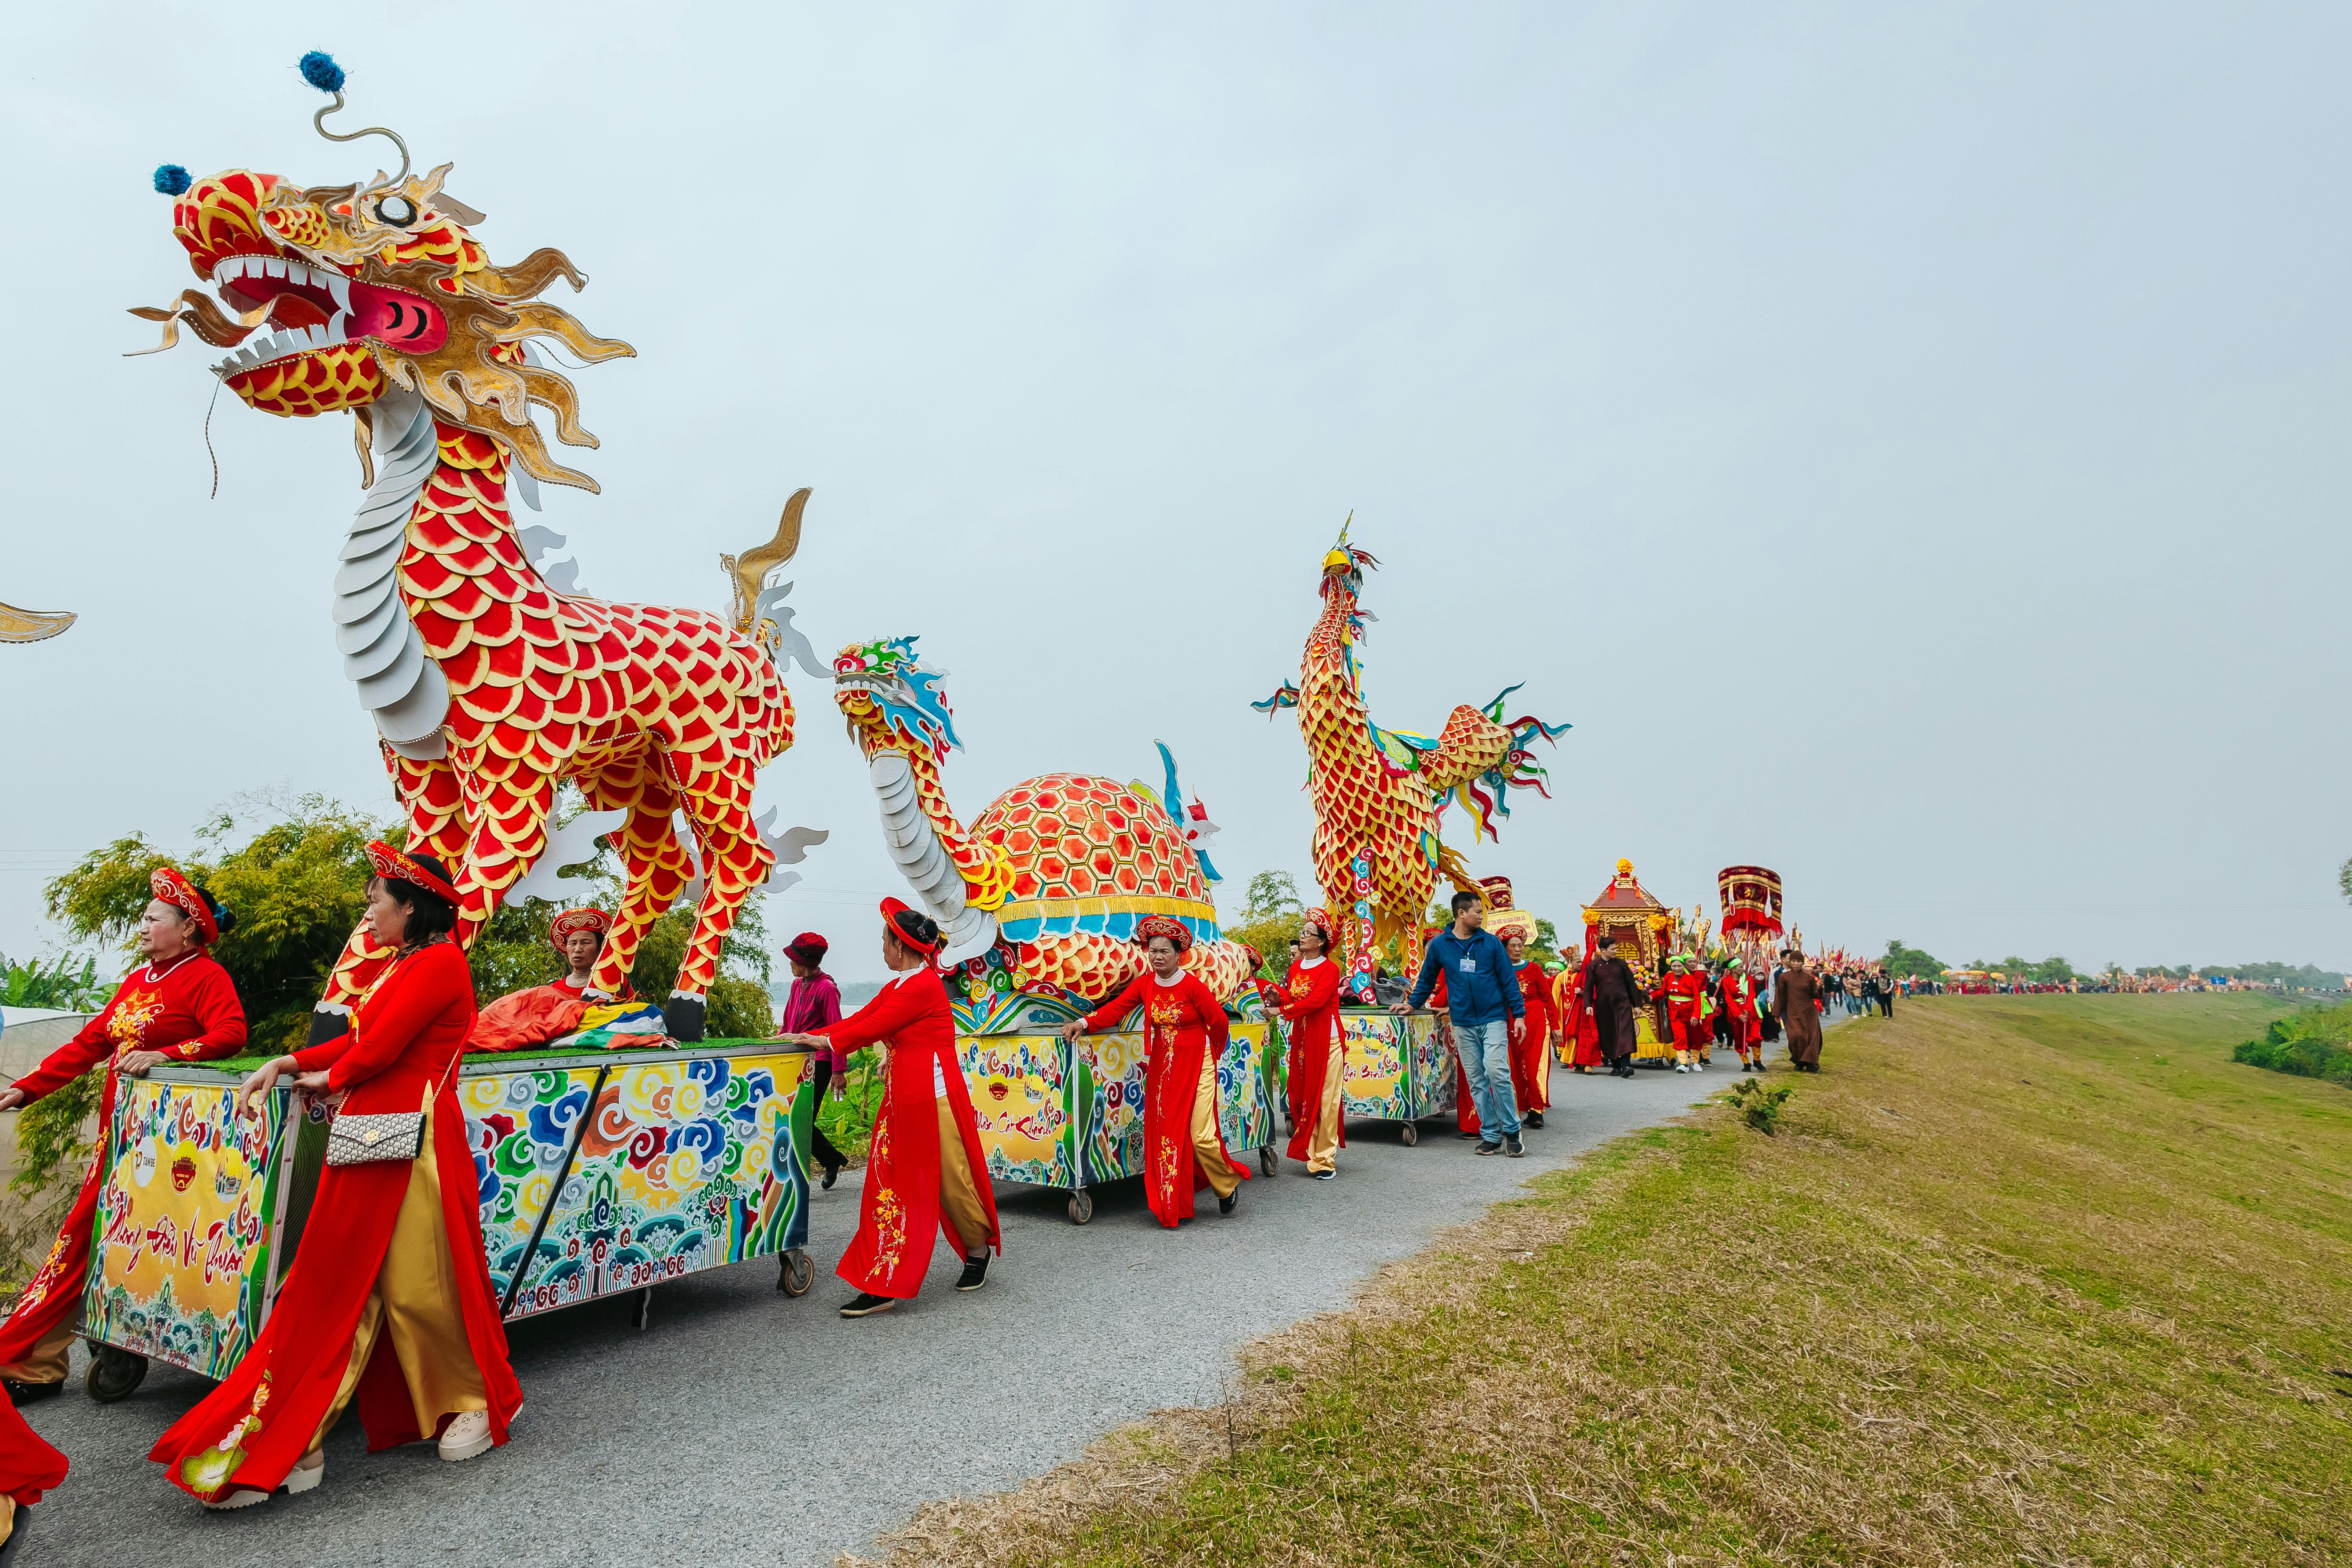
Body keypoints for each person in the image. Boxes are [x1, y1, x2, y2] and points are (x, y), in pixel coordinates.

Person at [150, 844, 521, 1508]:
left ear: (412, 904)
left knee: (416, 1286)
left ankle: (469, 1401)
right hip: (371, 1132)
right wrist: (289, 1061)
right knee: (336, 1284)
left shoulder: (441, 962)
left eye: (376, 899)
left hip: (417, 1142)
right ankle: (302, 1432)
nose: (369, 912)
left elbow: (377, 1050)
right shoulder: (403, 964)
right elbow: (356, 1040)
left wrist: (325, 1077)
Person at [0, 866, 247, 1406]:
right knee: (88, 1240)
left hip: (166, 1143)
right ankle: (45, 1358)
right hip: (117, 1136)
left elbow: (232, 1032)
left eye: (152, 918)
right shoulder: (140, 981)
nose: (141, 926)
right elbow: (91, 1042)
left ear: (187, 928)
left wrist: (168, 1053)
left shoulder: (206, 976)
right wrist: (26, 1089)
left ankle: (34, 1356)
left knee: (92, 1240)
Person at [778, 899, 999, 1317]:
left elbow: (870, 1029)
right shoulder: (899, 985)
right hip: (902, 1096)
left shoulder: (923, 985)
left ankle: (976, 1248)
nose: (881, 946)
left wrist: (824, 1041)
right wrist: (809, 1035)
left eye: (885, 940)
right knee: (890, 1184)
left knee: (950, 1183)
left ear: (901, 946)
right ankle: (885, 1274)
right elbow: (863, 1017)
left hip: (933, 1098)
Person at [1062, 915, 1248, 1224]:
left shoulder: (1192, 987)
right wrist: (1083, 1023)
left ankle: (1225, 1185)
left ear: (1179, 955)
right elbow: (1116, 1008)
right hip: (1164, 1068)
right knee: (1168, 1135)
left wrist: (1210, 1056)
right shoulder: (1145, 985)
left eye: (1164, 952)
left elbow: (1220, 1022)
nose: (1158, 957)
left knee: (1201, 1135)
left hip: (1198, 1064)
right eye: (1153, 951)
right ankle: (1172, 1204)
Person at [1398, 890, 1524, 1157]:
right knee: (1477, 1079)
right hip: (1463, 1021)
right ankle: (1490, 1135)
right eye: (1477, 912)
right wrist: (1412, 1004)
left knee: (1496, 1071)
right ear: (1461, 914)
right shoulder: (1440, 946)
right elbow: (1427, 978)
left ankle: (1512, 1131)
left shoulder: (1490, 944)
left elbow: (1509, 982)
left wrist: (1519, 1015)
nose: (1481, 916)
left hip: (1493, 1018)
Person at [1264, 912, 1345, 1179]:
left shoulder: (1330, 969)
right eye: (1302, 931)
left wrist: (1281, 1011)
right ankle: (1312, 1148)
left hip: (1327, 1039)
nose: (1302, 936)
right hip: (1301, 1037)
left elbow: (1316, 1002)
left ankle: (1324, 1160)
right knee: (1298, 1094)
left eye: (1308, 933)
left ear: (1321, 942)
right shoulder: (1297, 968)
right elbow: (1295, 997)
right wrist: (1279, 997)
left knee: (1326, 1100)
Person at [778, 932, 848, 1189]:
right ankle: (832, 1159)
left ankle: (802, 1177)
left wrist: (839, 1071)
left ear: (804, 962)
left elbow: (837, 1032)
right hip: (795, 1059)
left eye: (792, 959)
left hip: (820, 1063)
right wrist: (777, 1044)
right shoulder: (798, 984)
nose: (789, 963)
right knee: (792, 1117)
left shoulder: (827, 990)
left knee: (802, 1120)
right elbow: (788, 1022)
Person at [1490, 916, 1552, 1128]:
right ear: (1505, 948)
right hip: (1507, 1019)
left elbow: (1548, 998)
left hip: (1534, 1019)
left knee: (1533, 1064)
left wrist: (1556, 1026)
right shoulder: (1498, 969)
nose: (1518, 950)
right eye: (1513, 946)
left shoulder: (1534, 969)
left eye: (1520, 946)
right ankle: (1515, 1108)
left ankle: (1536, 1108)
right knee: (1512, 1064)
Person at [1587, 931, 1643, 1077]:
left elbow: (1631, 985)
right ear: (1603, 950)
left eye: (1616, 949)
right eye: (1612, 950)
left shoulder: (1621, 964)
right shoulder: (1594, 966)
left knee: (1625, 1033)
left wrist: (1636, 1006)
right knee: (1609, 1035)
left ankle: (1626, 1067)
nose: (1615, 952)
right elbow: (1588, 987)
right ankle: (1616, 1065)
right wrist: (1588, 1005)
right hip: (1604, 1007)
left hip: (1622, 1005)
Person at [1775, 948, 1826, 1072]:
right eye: (1794, 961)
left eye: (1799, 962)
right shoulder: (1784, 977)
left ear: (1802, 963)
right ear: (1790, 963)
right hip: (1792, 1011)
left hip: (1809, 1012)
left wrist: (1820, 988)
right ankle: (1799, 1060)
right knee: (1796, 1036)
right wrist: (1777, 1013)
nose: (1796, 964)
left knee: (1811, 1037)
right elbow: (1780, 996)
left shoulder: (1809, 978)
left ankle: (1812, 1064)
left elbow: (1816, 995)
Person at [1721, 957, 1765, 1071]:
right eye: (1740, 967)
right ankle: (1746, 1062)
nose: (1743, 968)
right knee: (1740, 1038)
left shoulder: (1748, 979)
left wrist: (1747, 1009)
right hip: (1736, 1012)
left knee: (1755, 1036)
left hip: (1750, 1010)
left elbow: (1751, 994)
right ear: (1733, 969)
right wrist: (1738, 1014)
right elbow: (1729, 999)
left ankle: (1757, 1060)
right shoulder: (1726, 981)